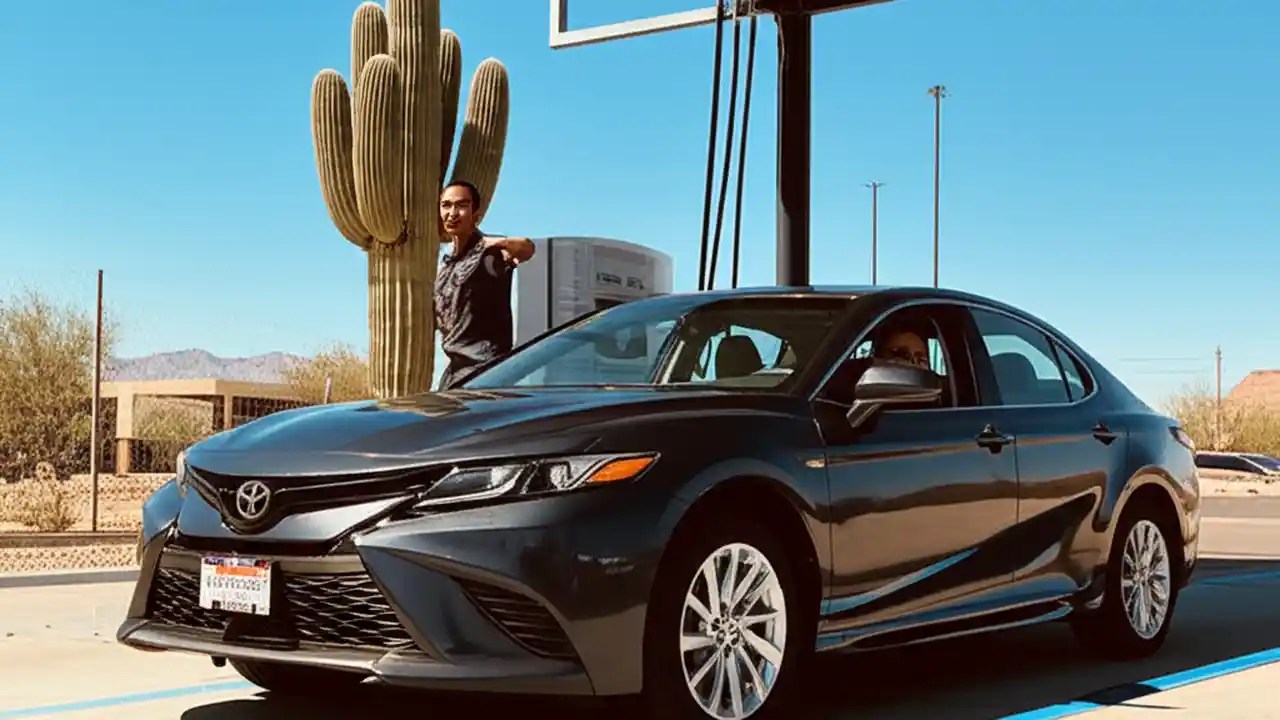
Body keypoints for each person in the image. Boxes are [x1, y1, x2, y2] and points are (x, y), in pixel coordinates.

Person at [433, 180, 535, 390]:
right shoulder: (446, 266)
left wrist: (497, 242)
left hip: (486, 370)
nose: (452, 212)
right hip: (455, 372)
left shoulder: (490, 254)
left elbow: (527, 248)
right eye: (446, 205)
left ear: (475, 214)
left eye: (461, 205)